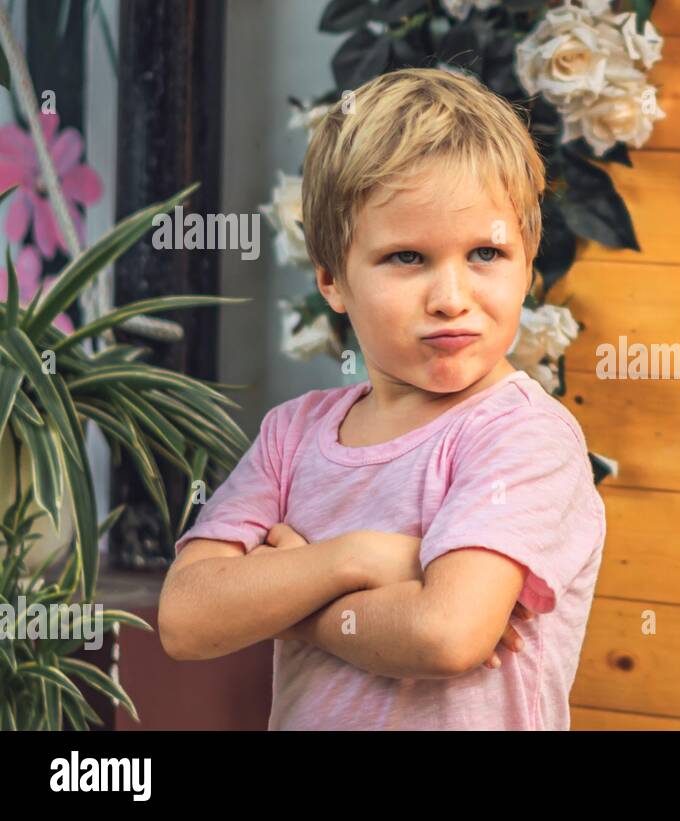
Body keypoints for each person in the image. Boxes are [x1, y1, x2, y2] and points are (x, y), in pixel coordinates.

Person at [158, 67, 606, 730]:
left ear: (529, 260)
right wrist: (357, 557)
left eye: (485, 252)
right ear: (333, 278)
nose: (451, 297)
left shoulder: (522, 435)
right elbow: (187, 617)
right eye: (406, 258)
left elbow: (446, 634)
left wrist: (290, 597)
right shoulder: (292, 435)